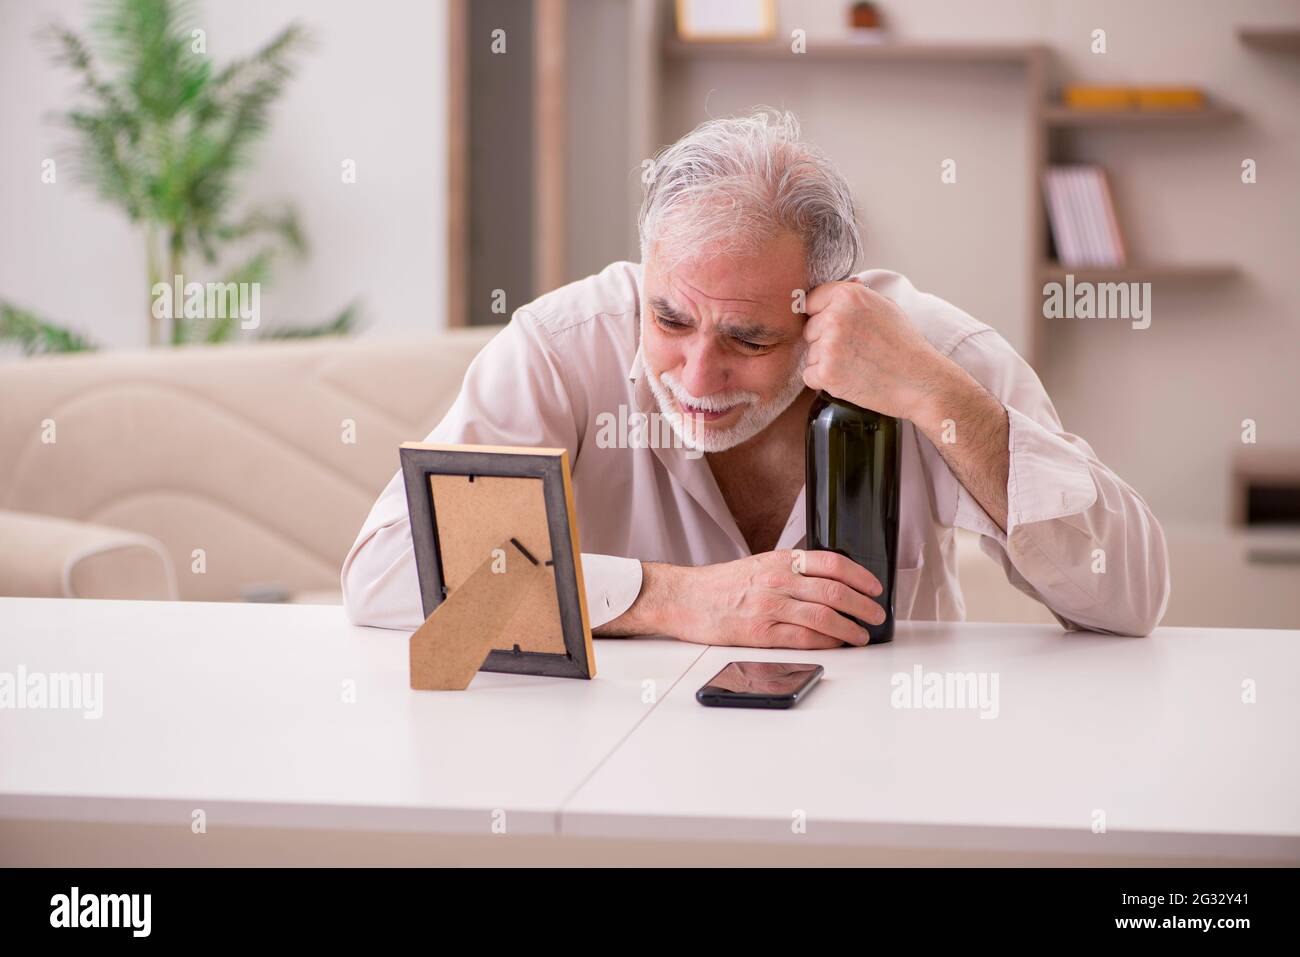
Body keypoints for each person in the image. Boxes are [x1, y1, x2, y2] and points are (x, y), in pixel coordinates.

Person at [341, 109, 1170, 646]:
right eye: (669, 319)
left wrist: (936, 396)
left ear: (826, 309)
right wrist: (670, 600)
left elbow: (1127, 596)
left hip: (882, 781)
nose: (697, 374)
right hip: (621, 781)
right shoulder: (563, 347)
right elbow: (385, 571)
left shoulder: (928, 353)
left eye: (749, 336)